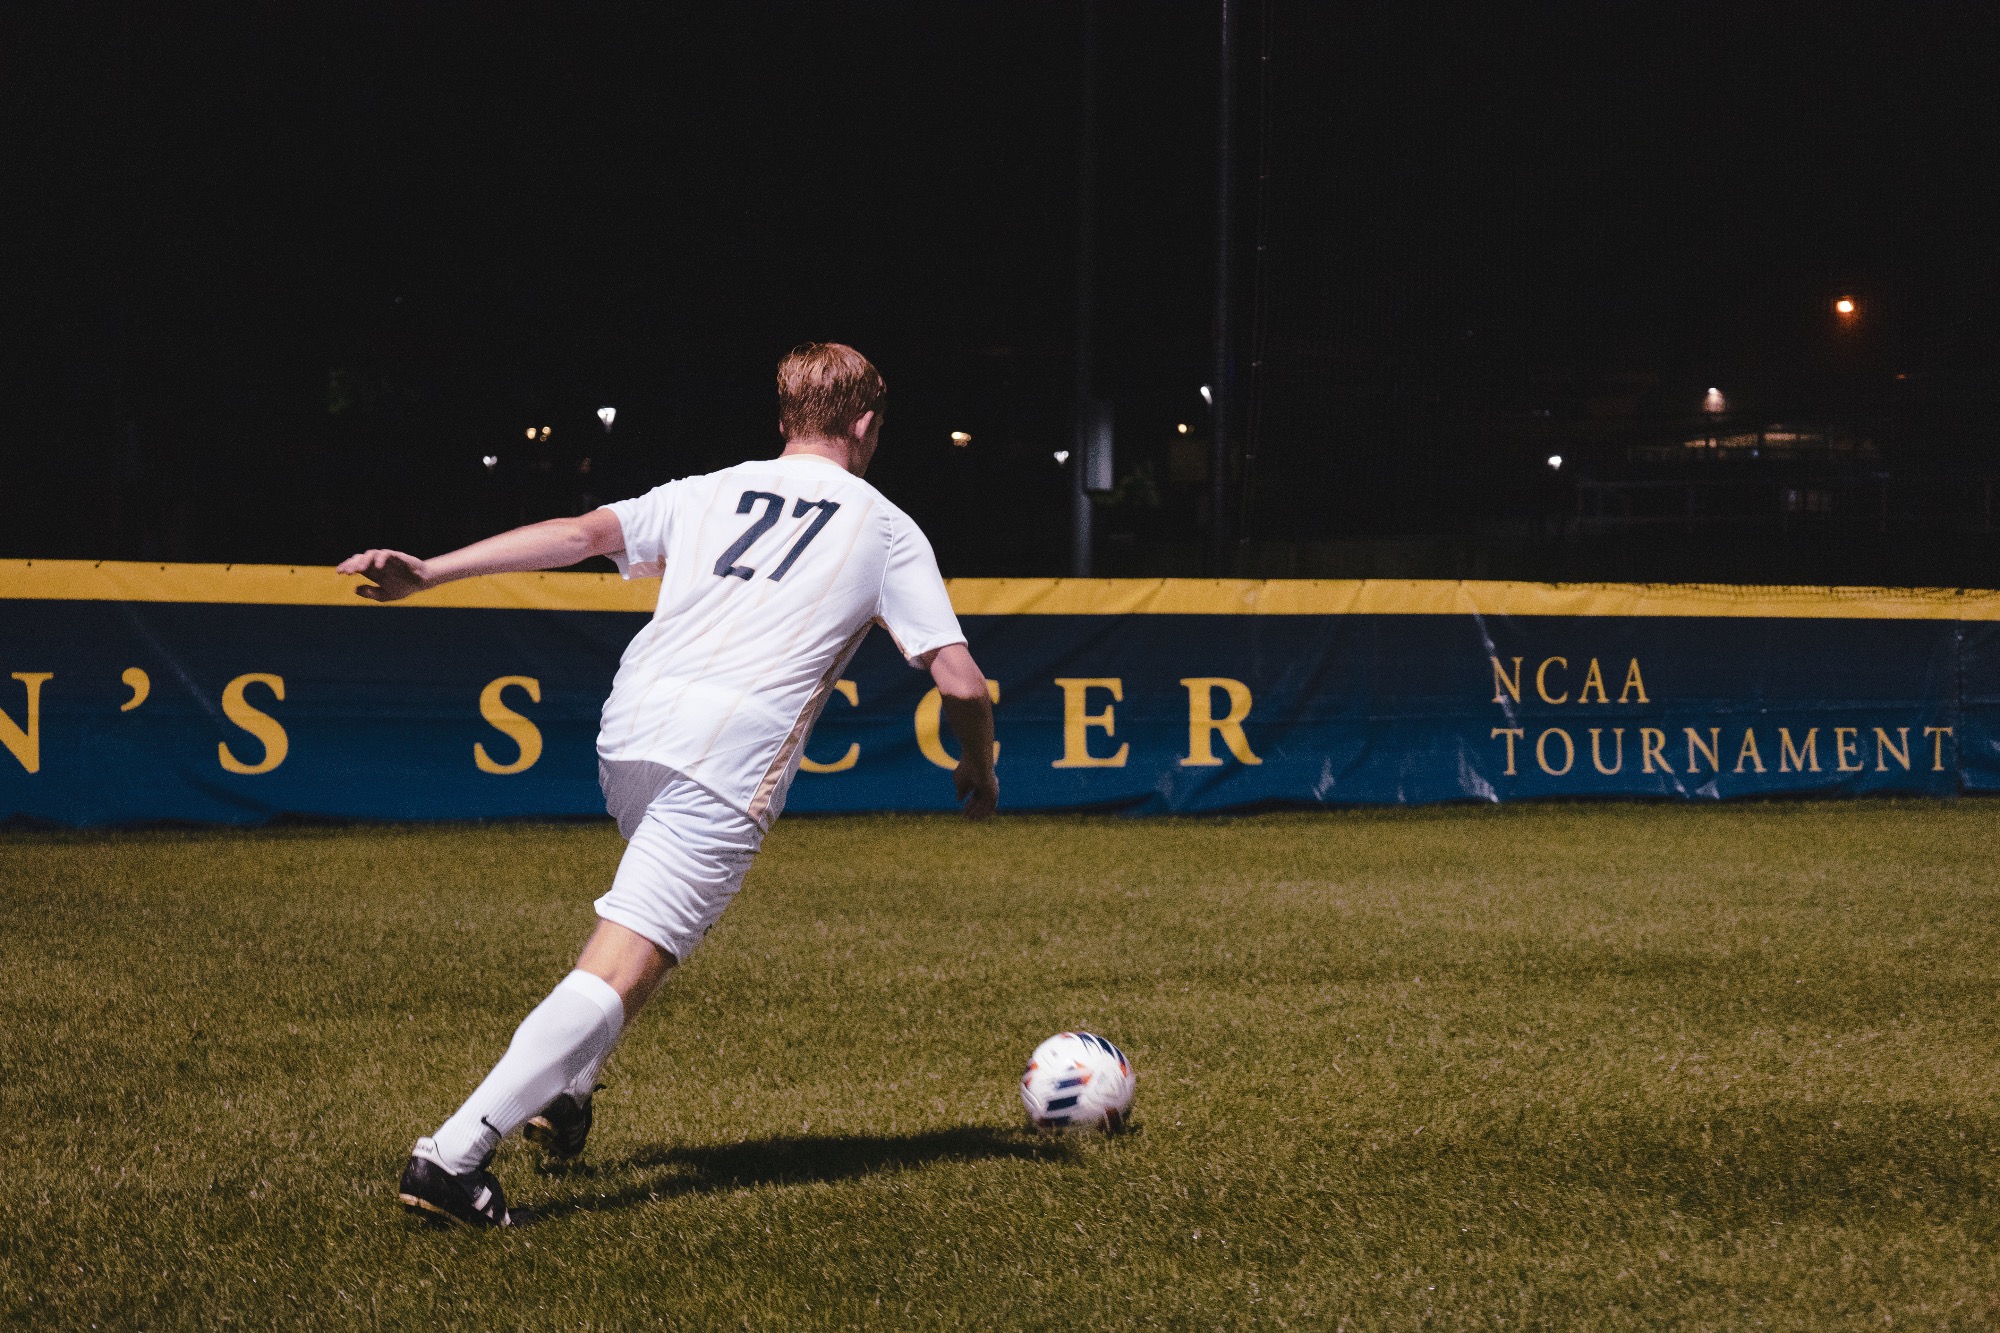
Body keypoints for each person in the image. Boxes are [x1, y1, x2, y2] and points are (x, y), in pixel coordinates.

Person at [338, 343, 999, 1228]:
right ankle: (451, 1157)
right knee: (622, 960)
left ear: (783, 419)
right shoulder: (885, 527)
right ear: (867, 424)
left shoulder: (707, 489)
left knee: (653, 933)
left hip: (631, 732)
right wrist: (979, 763)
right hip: (727, 757)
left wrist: (430, 572)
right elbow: (959, 681)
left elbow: (578, 535)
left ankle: (566, 1092)